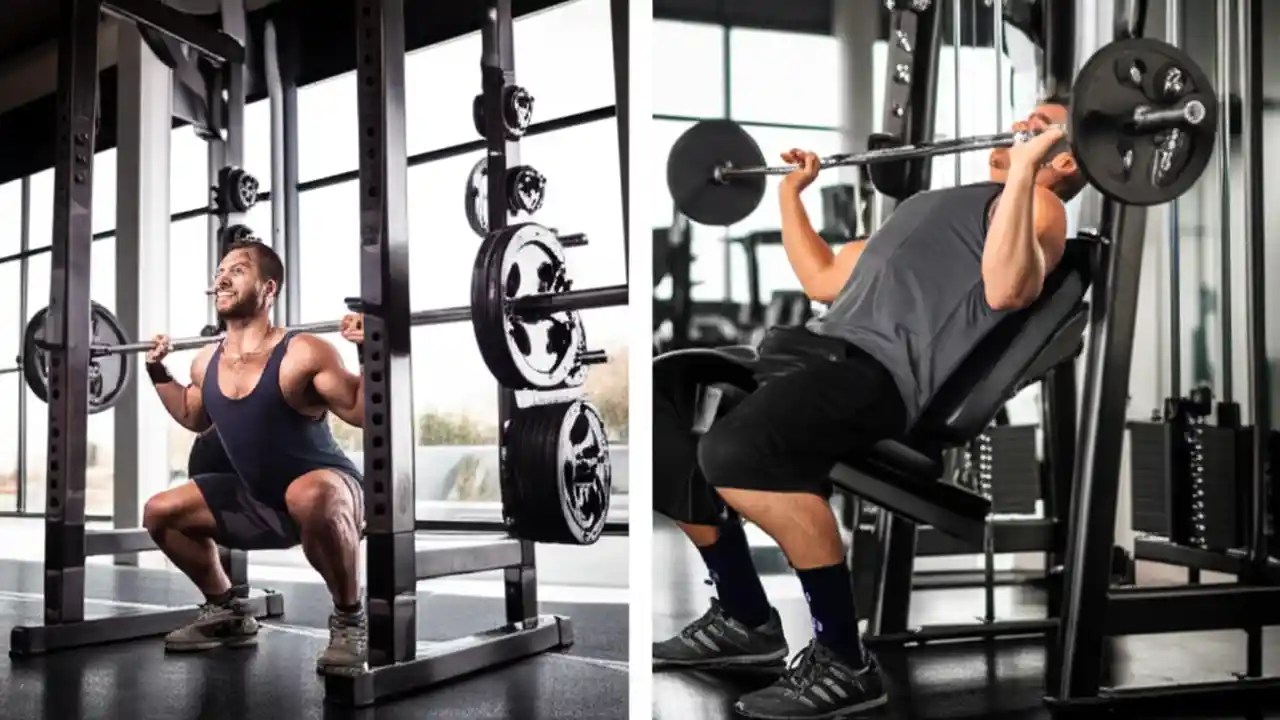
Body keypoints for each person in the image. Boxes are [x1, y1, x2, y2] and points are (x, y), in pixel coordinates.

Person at [653, 102, 1084, 719]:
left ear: (1063, 158)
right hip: (811, 348)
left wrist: (1024, 173)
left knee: (735, 452)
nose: (1020, 126)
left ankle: (845, 661)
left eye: (1039, 124)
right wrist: (791, 196)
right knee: (666, 392)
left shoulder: (1040, 207)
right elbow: (824, 278)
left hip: (875, 375)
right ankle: (744, 618)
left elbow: (1007, 287)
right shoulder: (933, 204)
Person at [141, 239, 369, 673]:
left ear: (268, 289)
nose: (222, 278)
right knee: (160, 512)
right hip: (260, 500)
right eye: (219, 272)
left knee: (308, 495)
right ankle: (226, 610)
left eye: (237, 270)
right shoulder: (205, 362)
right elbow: (191, 413)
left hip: (330, 495)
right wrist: (156, 370)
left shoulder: (303, 352)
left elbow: (362, 412)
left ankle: (349, 617)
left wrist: (368, 350)